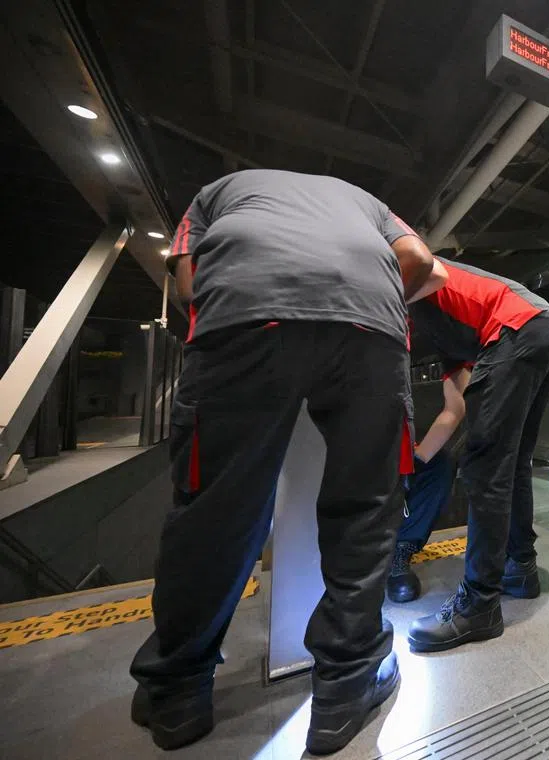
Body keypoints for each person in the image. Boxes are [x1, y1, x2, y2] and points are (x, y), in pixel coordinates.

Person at [129, 169, 445, 755]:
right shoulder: (368, 200)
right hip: (368, 326)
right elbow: (421, 261)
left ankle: (177, 692)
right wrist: (345, 302)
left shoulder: (213, 192)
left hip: (247, 317)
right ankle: (347, 686)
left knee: (217, 511)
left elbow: (189, 282)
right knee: (366, 511)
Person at [405, 258, 549, 652]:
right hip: (545, 328)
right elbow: (455, 407)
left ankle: (478, 605)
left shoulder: (402, 283)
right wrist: (418, 457)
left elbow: (430, 269)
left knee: (485, 468)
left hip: (515, 329)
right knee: (513, 465)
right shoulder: (447, 337)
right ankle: (520, 568)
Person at [385, 366, 471, 603]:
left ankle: (401, 549)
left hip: (402, 437)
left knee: (440, 464)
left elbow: (456, 407)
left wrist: (417, 456)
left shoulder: (443, 337)